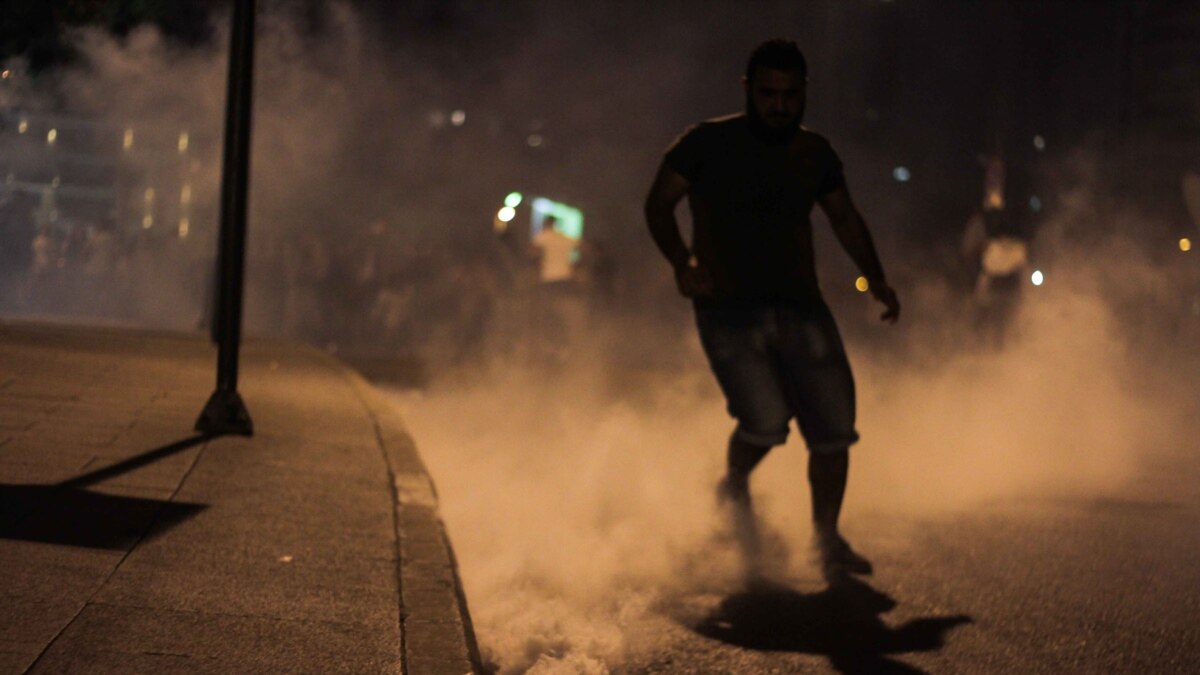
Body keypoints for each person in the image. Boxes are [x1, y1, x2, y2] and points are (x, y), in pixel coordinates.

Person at [643, 39, 901, 581]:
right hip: (726, 310)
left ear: (804, 92)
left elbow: (845, 219)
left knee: (833, 428)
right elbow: (659, 203)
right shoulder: (705, 143)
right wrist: (681, 261)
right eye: (768, 93)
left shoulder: (815, 154)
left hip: (801, 308)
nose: (779, 105)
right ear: (747, 90)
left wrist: (875, 277)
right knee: (764, 422)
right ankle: (732, 485)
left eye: (789, 94)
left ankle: (827, 540)